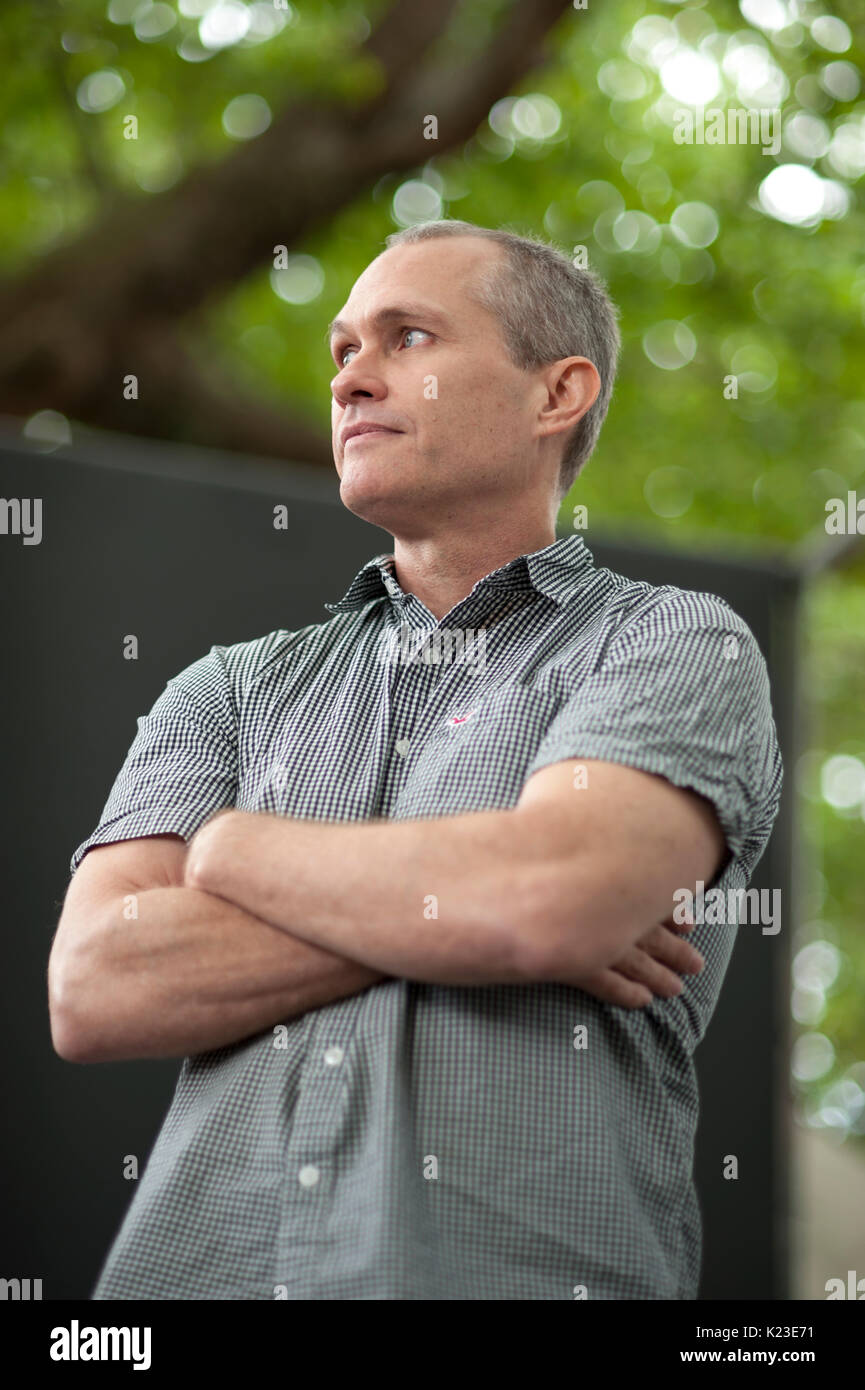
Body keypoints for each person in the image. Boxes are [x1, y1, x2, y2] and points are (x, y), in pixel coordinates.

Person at [48, 219, 783, 1300]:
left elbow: (548, 900)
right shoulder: (228, 687)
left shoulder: (674, 641)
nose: (351, 379)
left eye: (408, 337)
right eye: (344, 349)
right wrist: (477, 911)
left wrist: (234, 847)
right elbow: (95, 986)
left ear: (556, 393)